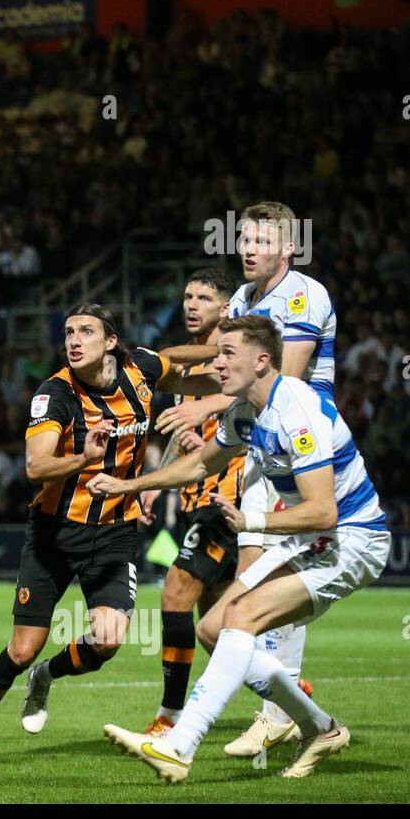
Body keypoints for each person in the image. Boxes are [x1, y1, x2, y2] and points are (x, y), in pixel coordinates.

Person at [93, 315, 389, 781]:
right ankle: (320, 727)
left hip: (354, 539)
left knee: (241, 617)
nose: (218, 361)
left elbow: (323, 511)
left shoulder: (298, 412)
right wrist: (130, 485)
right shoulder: (248, 411)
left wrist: (252, 520)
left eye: (228, 353)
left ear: (263, 359)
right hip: (313, 538)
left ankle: (179, 745)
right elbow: (200, 464)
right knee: (213, 627)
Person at [0, 304, 221, 764]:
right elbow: (35, 466)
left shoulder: (140, 370)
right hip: (54, 534)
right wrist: (84, 457)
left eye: (86, 331)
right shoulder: (55, 394)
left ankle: (48, 676)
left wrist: (225, 358)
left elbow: (180, 364)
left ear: (110, 342)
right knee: (22, 648)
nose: (74, 340)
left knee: (108, 641)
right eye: (69, 331)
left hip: (114, 531)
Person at [159, 202, 333, 755]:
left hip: (302, 449)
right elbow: (218, 356)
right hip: (260, 446)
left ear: (288, 247)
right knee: (253, 581)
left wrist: (202, 405)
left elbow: (283, 378)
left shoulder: (305, 295)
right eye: (244, 239)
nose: (248, 248)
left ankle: (277, 709)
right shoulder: (241, 301)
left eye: (261, 239)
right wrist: (156, 365)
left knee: (275, 574)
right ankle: (280, 708)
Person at [140, 268, 245, 735]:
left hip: (226, 499)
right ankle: (286, 692)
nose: (191, 304)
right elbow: (181, 435)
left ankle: (170, 716)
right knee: (217, 627)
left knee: (174, 596)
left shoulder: (235, 358)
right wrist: (153, 486)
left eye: (203, 297)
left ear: (226, 307)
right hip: (193, 498)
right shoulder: (190, 370)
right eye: (186, 295)